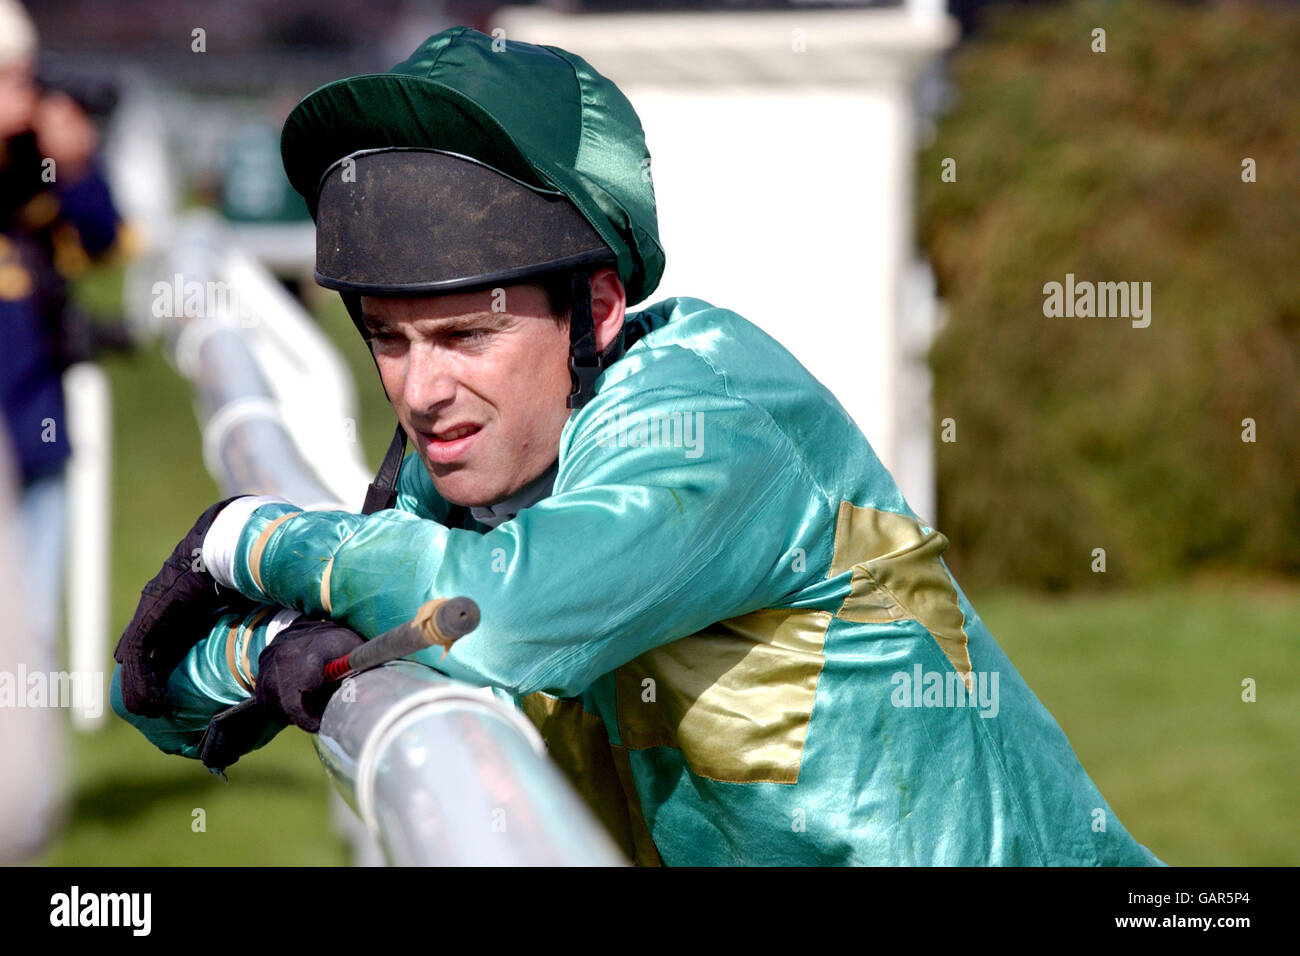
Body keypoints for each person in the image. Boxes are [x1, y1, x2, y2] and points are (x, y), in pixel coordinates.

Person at [112, 26, 1163, 866]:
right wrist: (254, 651)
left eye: (466, 335)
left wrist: (246, 539)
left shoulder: (703, 415)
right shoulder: (481, 452)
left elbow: (490, 611)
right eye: (388, 338)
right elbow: (160, 701)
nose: (422, 391)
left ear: (598, 308)